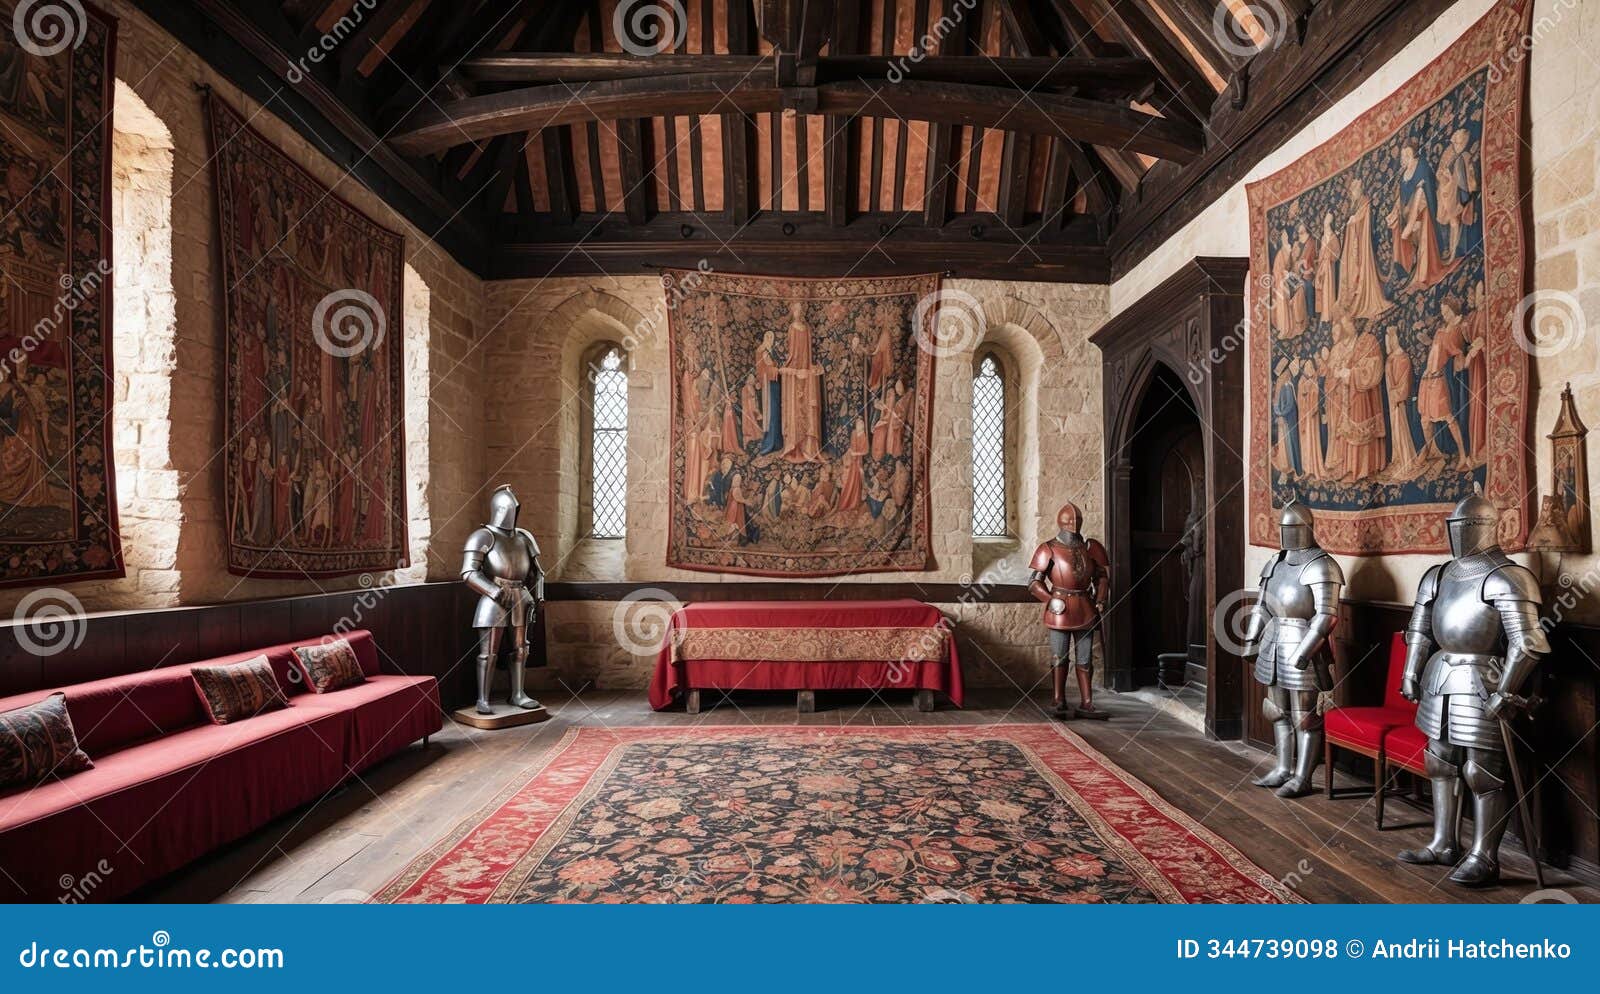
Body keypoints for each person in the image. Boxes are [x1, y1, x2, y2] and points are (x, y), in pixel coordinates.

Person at [1398, 488, 1547, 886]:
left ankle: (1484, 856)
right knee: (1439, 762)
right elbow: (1419, 630)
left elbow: (1527, 642)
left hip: (1486, 679)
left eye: (1464, 526)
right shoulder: (1438, 575)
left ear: (1483, 527)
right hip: (1440, 674)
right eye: (1455, 526)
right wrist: (1411, 671)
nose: (1457, 533)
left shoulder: (1509, 576)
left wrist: (1506, 691)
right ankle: (1444, 842)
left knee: (1482, 772)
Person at [1241, 502, 1344, 798]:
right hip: (1274, 641)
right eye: (1284, 529)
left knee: (1305, 717)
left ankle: (1303, 777)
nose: (1288, 535)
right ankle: (1283, 768)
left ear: (1307, 529)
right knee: (1276, 711)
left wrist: (1305, 651)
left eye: (1293, 529)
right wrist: (1251, 641)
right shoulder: (1275, 563)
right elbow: (1262, 605)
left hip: (1304, 640)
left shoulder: (1323, 565)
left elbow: (1326, 615)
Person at [1028, 502, 1111, 720]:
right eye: (1071, 520)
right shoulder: (1049, 548)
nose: (1074, 523)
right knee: (1059, 656)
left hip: (1085, 605)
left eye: (1077, 520)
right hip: (1059, 609)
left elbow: (1101, 577)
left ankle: (1087, 701)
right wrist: (1050, 599)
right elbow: (1034, 583)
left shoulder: (1091, 548)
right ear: (1062, 522)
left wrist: (1100, 600)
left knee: (1085, 658)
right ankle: (1058, 698)